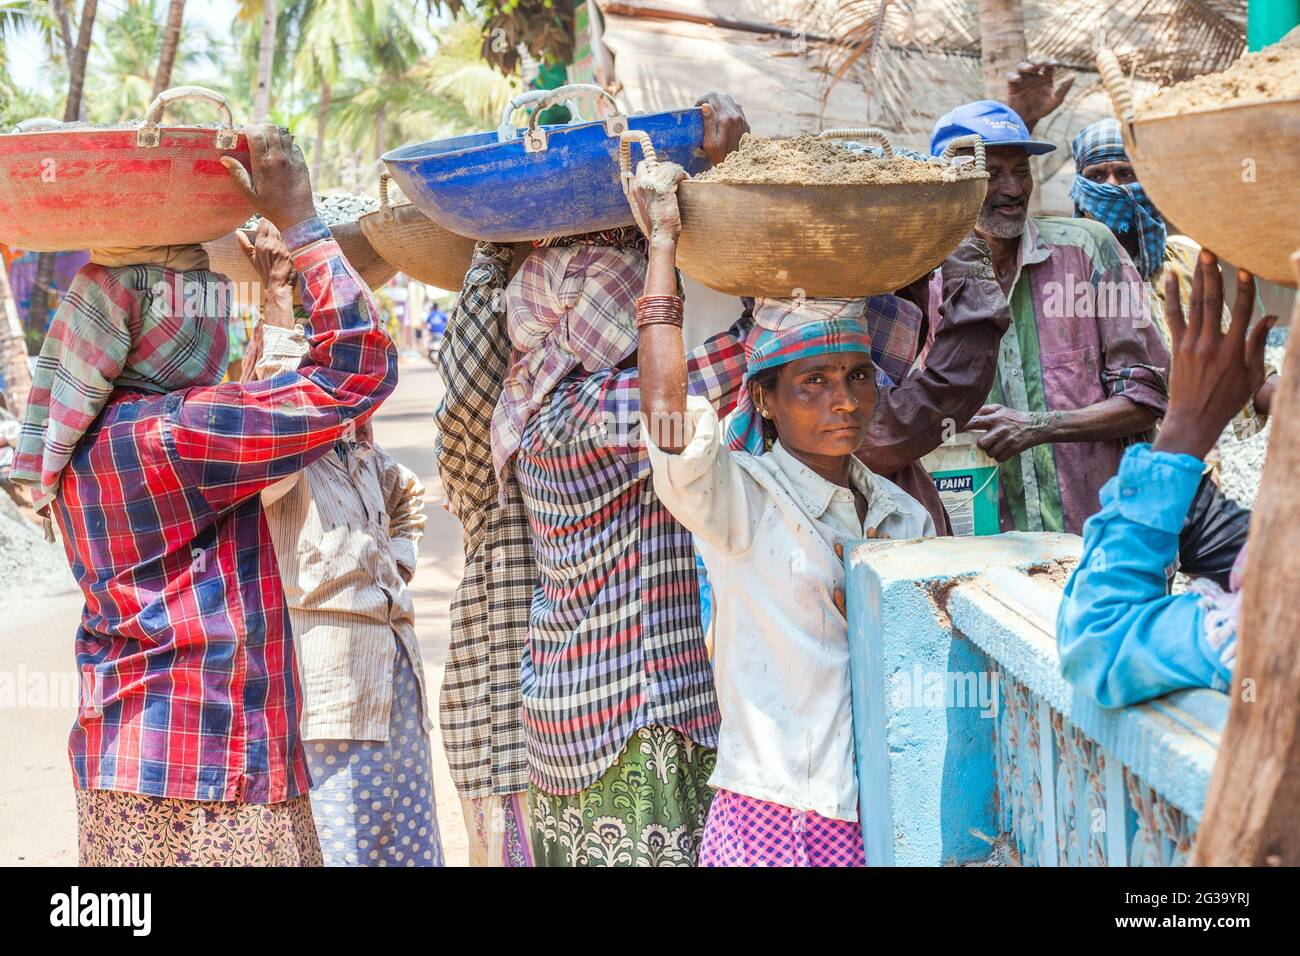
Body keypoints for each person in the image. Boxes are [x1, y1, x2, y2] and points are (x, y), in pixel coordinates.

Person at [10, 125, 396, 866]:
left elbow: (262, 405)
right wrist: (304, 223)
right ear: (159, 326)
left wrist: (278, 297)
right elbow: (357, 370)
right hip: (216, 772)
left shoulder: (87, 446)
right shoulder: (180, 432)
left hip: (119, 767)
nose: (213, 313)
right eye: (198, 301)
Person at [630, 160, 934, 866]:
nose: (845, 401)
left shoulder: (900, 517)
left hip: (887, 807)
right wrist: (665, 247)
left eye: (858, 376)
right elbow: (667, 417)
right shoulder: (743, 500)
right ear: (763, 398)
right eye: (814, 383)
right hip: (779, 811)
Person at [241, 223, 442, 868]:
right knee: (342, 848)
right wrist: (276, 294)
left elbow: (409, 497)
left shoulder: (358, 457)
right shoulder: (281, 468)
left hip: (396, 671)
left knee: (407, 847)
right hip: (331, 691)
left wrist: (397, 565)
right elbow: (272, 416)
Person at [930, 100, 1171, 535]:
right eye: (993, 172)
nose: (1014, 189)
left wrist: (1038, 426)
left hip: (1100, 544)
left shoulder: (1086, 251)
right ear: (949, 182)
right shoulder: (921, 280)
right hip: (982, 553)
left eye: (1021, 170)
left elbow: (1148, 395)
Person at [1068, 117, 1278, 588]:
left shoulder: (1182, 261)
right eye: (1098, 176)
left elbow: (1235, 373)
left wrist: (1285, 393)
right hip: (1104, 491)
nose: (1115, 187)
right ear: (1078, 186)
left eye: (1126, 173)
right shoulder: (1066, 271)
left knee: (1250, 588)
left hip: (1187, 477)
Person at [1058, 254, 1275, 705]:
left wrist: (1184, 429)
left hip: (1182, 488)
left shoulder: (1273, 614)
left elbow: (1097, 645)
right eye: (1098, 176)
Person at [434, 241, 537, 866]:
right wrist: (492, 257)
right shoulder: (485, 467)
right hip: (499, 709)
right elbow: (470, 388)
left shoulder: (603, 413)